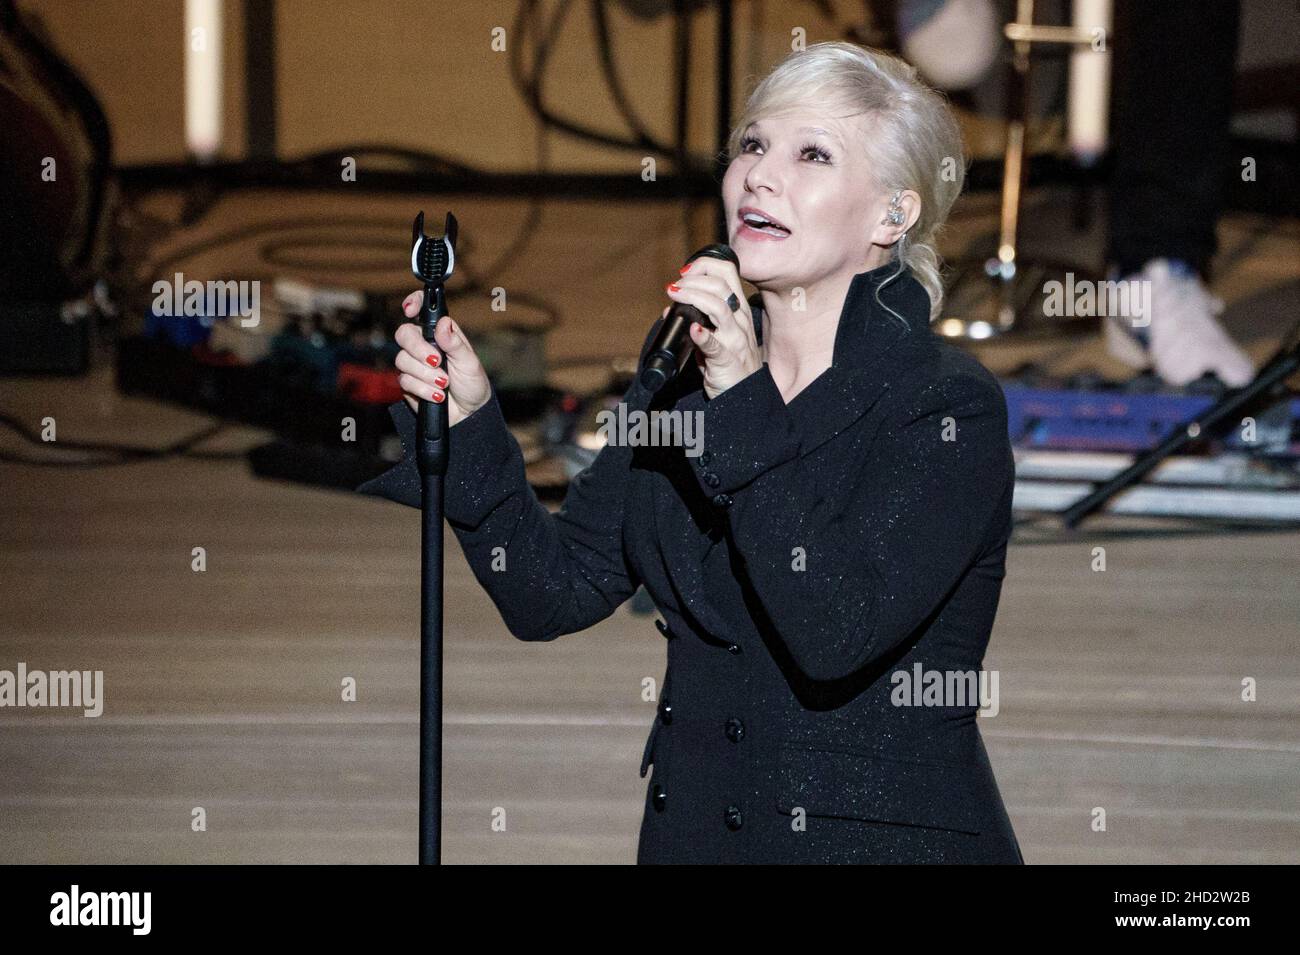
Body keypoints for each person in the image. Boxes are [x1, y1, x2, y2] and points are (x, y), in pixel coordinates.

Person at [359, 41, 1023, 864]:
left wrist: (741, 402)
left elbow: (836, 627)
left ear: (893, 215)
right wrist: (471, 425)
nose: (760, 175)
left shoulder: (943, 405)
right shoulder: (681, 371)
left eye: (812, 154)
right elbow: (554, 592)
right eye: (751, 144)